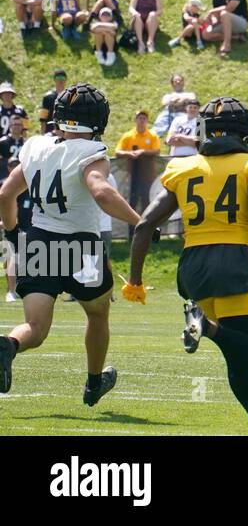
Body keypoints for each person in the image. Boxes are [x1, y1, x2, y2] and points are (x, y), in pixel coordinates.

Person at [126, 97, 248, 435]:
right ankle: (206, 328)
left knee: (235, 357)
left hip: (193, 270)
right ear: (245, 133)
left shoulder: (183, 167)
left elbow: (145, 225)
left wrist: (135, 280)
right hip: (232, 263)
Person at [0, 84, 140, 407]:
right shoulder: (90, 152)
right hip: (81, 248)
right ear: (97, 120)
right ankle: (93, 383)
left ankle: (8, 345)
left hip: (39, 242)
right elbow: (101, 192)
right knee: (98, 313)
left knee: (35, 328)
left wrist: (11, 234)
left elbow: (6, 195)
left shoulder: (36, 146)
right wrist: (139, 221)